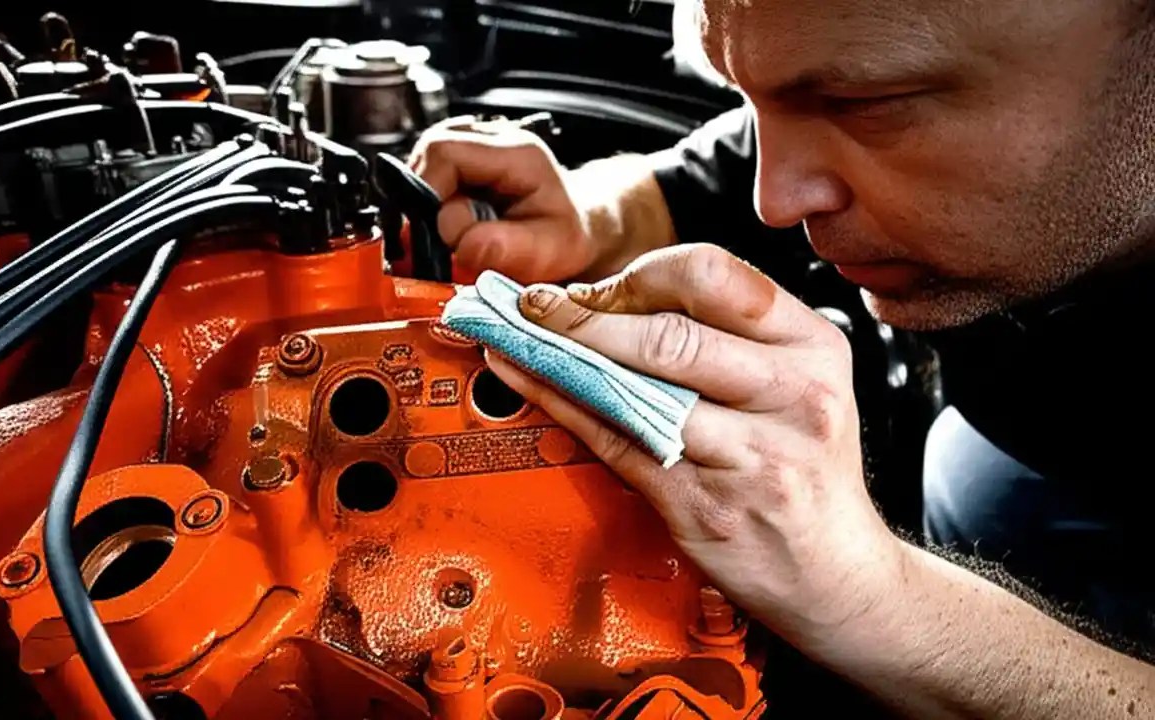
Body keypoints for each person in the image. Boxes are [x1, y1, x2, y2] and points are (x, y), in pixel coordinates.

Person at [407, 0, 1155, 717]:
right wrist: (605, 214)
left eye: (869, 101)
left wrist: (880, 601)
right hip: (1036, 454)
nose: (777, 201)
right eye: (748, 91)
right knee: (972, 477)